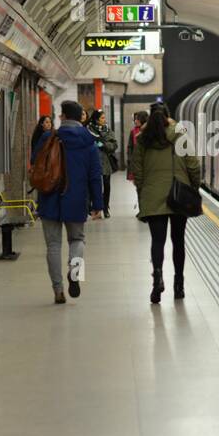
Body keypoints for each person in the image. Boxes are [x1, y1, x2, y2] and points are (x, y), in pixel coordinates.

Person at [30, 101, 103, 304]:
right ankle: (75, 273)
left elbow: (35, 163)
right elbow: (95, 175)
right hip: (77, 197)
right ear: (81, 117)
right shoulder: (88, 141)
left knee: (53, 245)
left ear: (62, 116)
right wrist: (98, 204)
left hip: (49, 197)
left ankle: (58, 290)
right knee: (77, 240)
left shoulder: (48, 137)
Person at [131, 104, 201, 304]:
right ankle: (179, 285)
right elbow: (193, 164)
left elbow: (138, 169)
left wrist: (142, 192)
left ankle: (157, 280)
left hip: (153, 195)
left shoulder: (143, 138)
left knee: (157, 242)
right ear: (169, 117)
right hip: (179, 194)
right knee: (178, 241)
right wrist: (193, 187)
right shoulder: (179, 133)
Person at [86, 109, 119, 218]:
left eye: (104, 118)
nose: (104, 120)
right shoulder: (88, 129)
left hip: (105, 161)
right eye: (102, 118)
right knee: (94, 185)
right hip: (92, 161)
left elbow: (114, 145)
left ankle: (105, 207)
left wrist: (103, 145)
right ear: (96, 119)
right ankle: (95, 207)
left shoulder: (108, 130)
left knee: (107, 185)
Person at [126, 111, 148, 182]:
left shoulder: (149, 131)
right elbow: (130, 146)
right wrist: (130, 158)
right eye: (135, 119)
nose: (135, 121)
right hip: (136, 163)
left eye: (137, 119)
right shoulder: (133, 132)